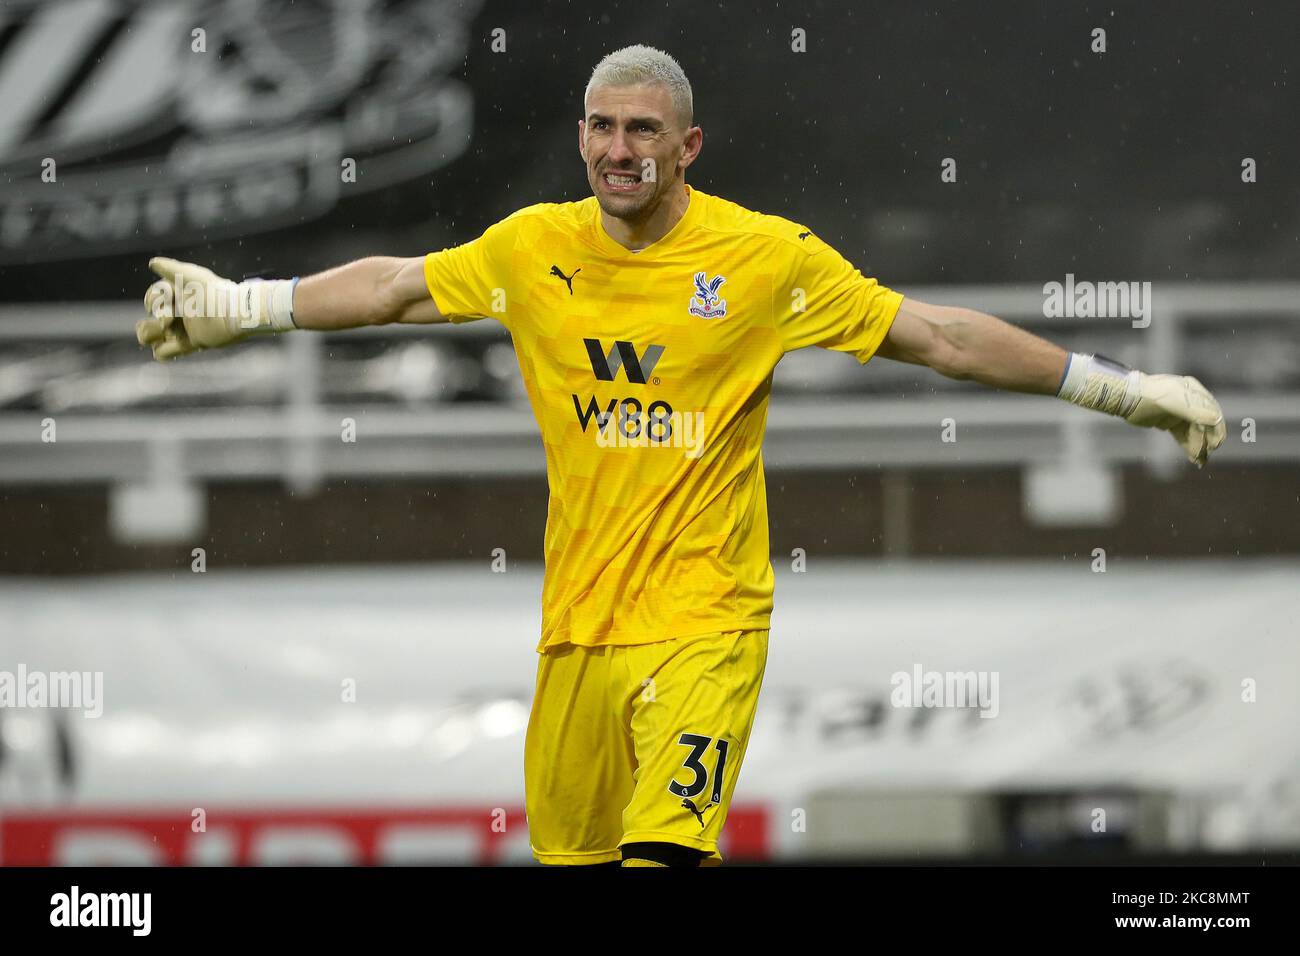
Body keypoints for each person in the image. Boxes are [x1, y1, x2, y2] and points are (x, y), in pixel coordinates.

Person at [135, 45, 1226, 867]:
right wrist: (244, 304)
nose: (620, 149)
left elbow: (937, 336)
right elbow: (393, 287)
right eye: (604, 127)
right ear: (580, 138)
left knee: (660, 856)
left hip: (706, 618)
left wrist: (1123, 389)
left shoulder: (764, 259)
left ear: (687, 147)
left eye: (644, 131)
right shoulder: (532, 249)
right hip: (576, 631)